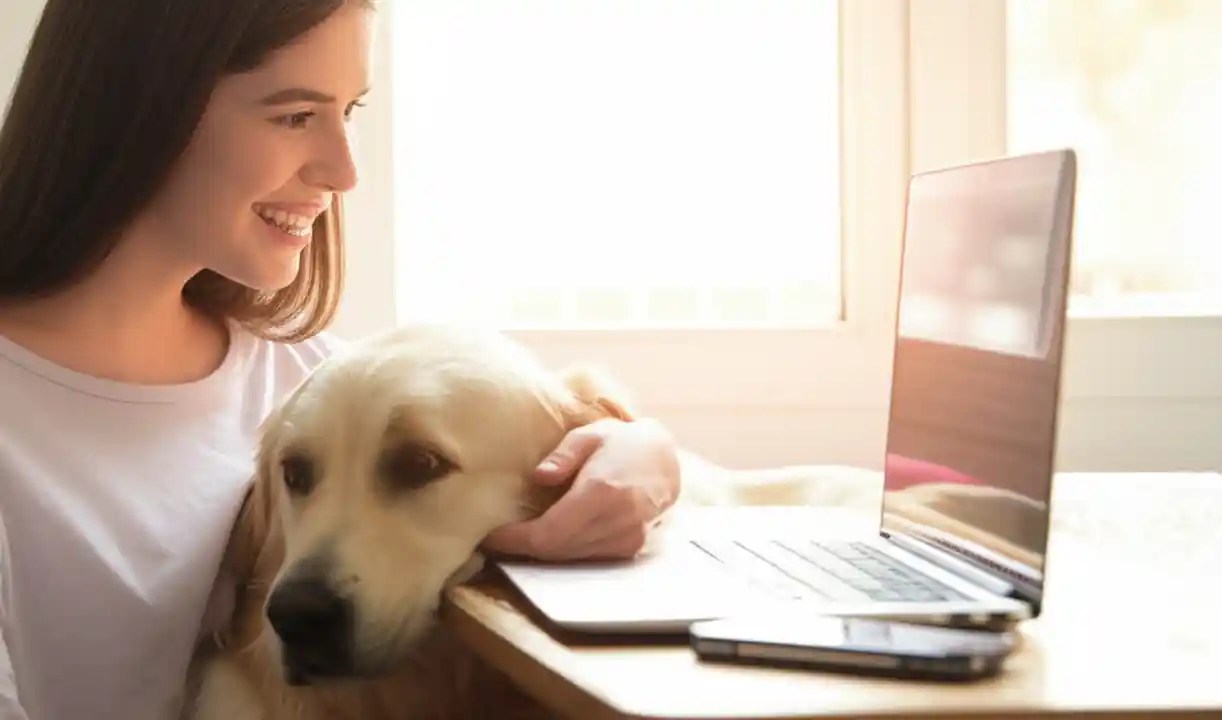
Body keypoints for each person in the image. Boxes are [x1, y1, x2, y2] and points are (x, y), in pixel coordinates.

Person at [0, 1, 706, 717]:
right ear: (139, 109)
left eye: (351, 111)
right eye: (295, 116)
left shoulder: (303, 376)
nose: (344, 172)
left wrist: (641, 452)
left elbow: (505, 424)